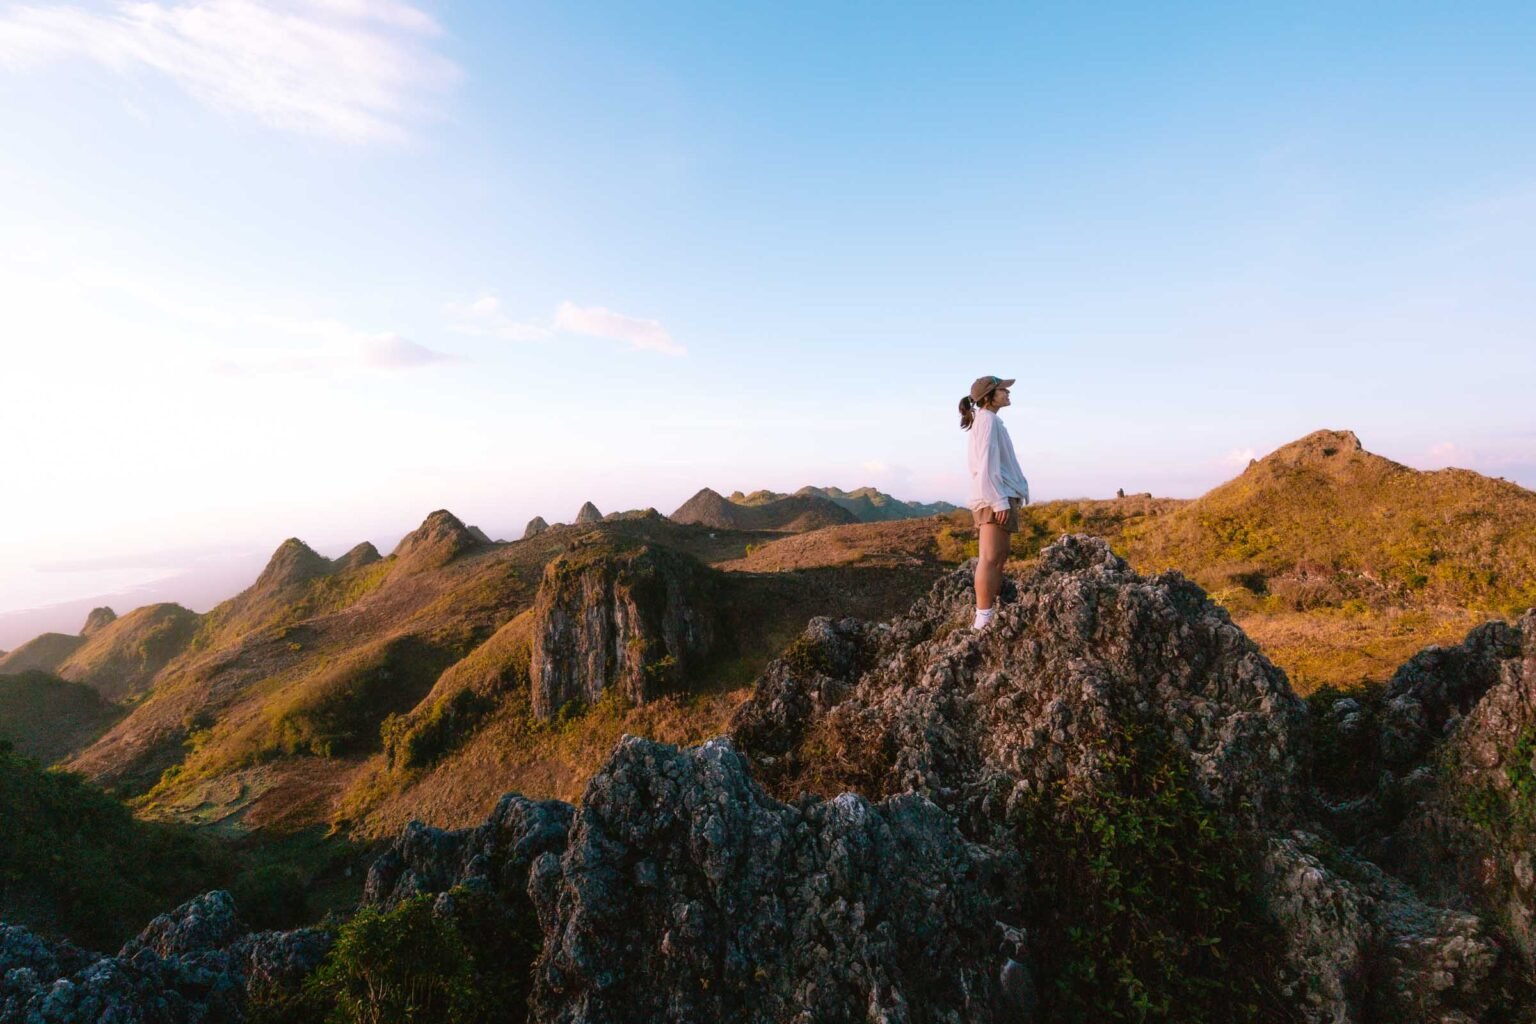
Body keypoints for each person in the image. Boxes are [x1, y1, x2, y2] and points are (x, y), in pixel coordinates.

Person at [959, 375, 1029, 630]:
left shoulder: (989, 420)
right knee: (989, 558)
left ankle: (987, 613)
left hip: (997, 494)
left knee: (998, 557)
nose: (1008, 393)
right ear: (989, 395)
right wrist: (999, 501)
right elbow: (985, 464)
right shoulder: (987, 421)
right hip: (993, 497)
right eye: (1003, 390)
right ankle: (983, 617)